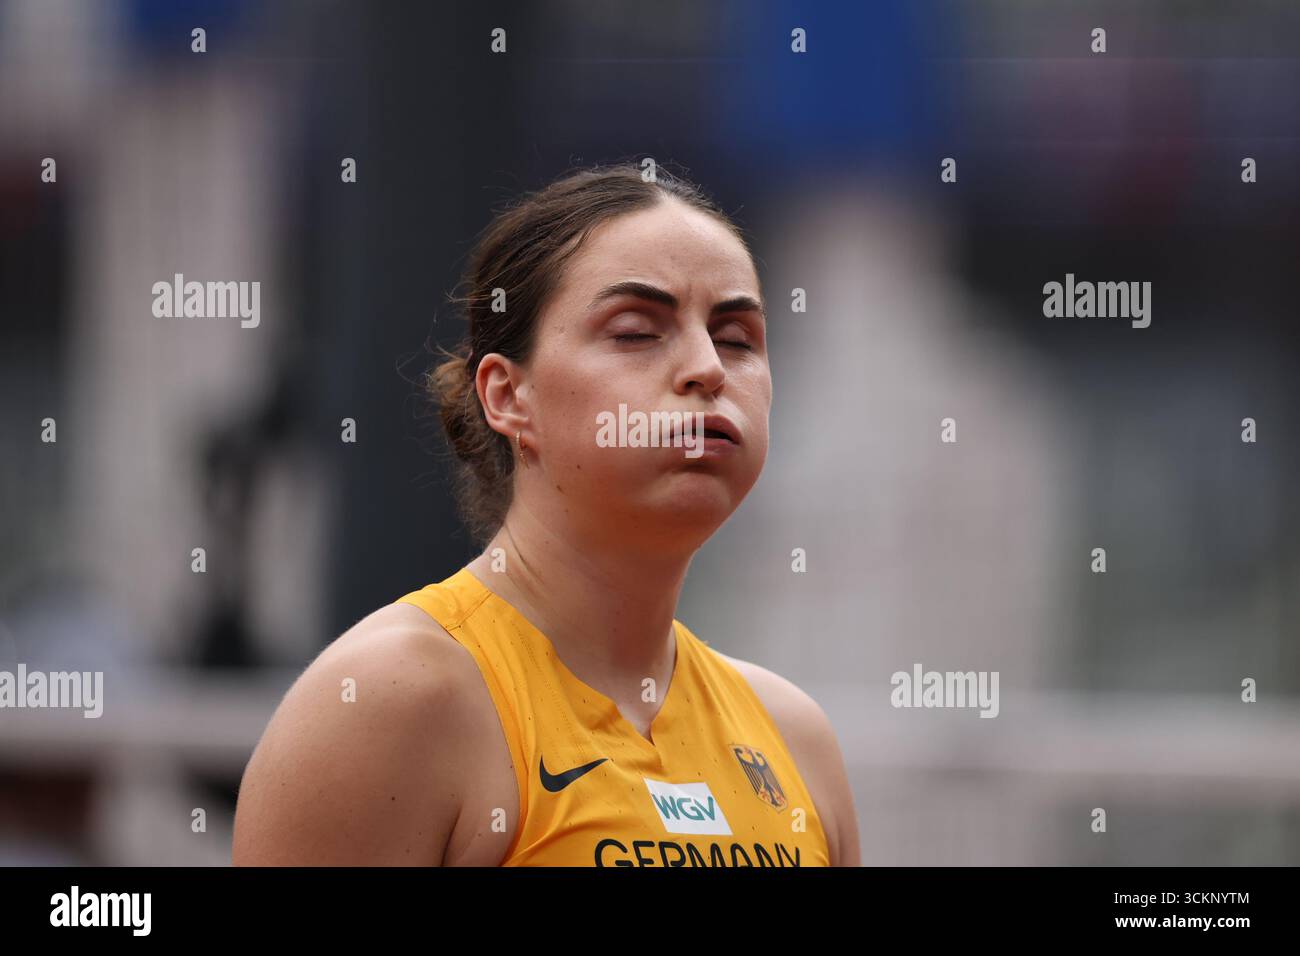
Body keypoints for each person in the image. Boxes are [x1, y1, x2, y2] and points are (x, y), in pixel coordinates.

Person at [232, 163, 860, 867]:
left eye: (738, 337)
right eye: (635, 331)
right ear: (507, 396)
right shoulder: (394, 700)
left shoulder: (792, 737)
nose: (708, 368)